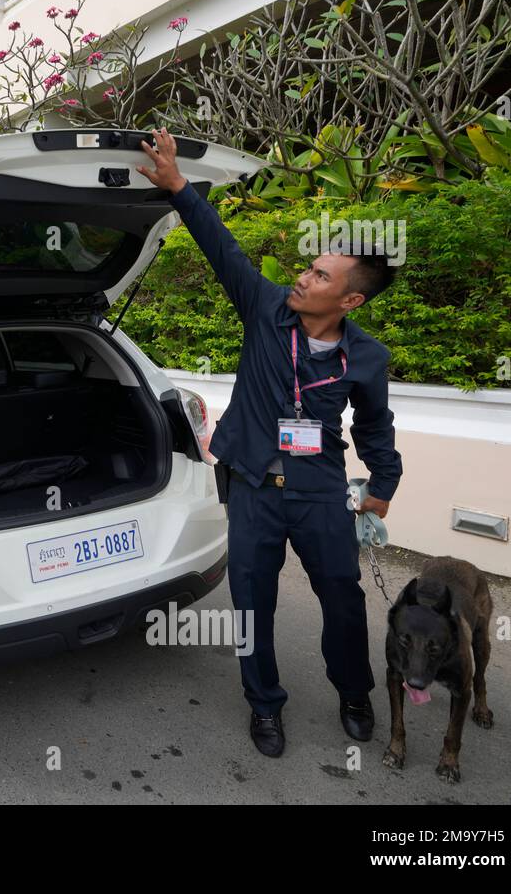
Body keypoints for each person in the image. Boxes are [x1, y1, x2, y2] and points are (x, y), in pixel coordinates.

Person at [137, 128, 403, 759]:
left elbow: (373, 424)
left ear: (351, 298)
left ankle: (354, 692)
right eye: (310, 268)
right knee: (252, 603)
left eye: (319, 275)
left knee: (341, 597)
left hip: (318, 490)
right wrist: (177, 186)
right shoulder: (265, 308)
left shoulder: (366, 358)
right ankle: (264, 705)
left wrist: (384, 485)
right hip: (254, 485)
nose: (303, 278)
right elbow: (221, 248)